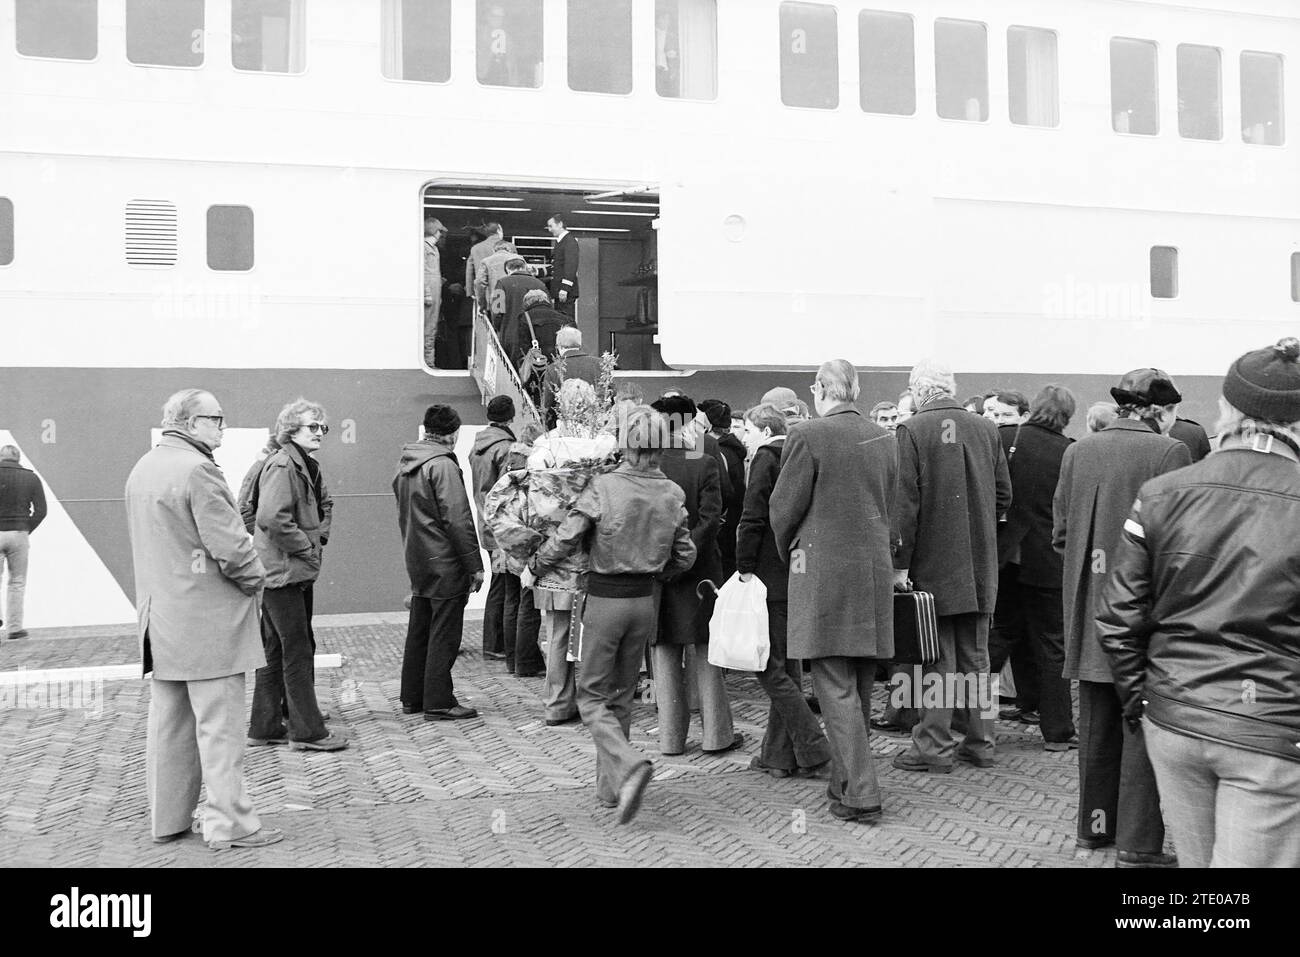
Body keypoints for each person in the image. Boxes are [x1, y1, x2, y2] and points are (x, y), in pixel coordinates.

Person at [1098, 339, 1300, 868]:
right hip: (1269, 729)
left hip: (1176, 717)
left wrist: (1144, 702)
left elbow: (1119, 620)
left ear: (1229, 410)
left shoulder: (1163, 492)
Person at [125, 389, 281, 849]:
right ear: (191, 423)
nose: (222, 428)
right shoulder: (200, 471)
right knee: (220, 729)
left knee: (169, 726)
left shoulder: (144, 467)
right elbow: (232, 548)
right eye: (216, 419)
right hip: (209, 624)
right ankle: (230, 824)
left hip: (161, 622)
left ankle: (167, 820)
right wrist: (258, 582)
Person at [526, 407, 696, 823]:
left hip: (604, 601)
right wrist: (656, 572)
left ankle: (630, 764)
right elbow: (686, 555)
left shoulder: (604, 487)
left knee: (591, 697)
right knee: (621, 695)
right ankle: (610, 788)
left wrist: (535, 566)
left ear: (625, 443)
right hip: (645, 602)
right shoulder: (672, 493)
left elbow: (567, 535)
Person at [1052, 368, 1192, 866]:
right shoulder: (1169, 452)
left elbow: (1062, 534)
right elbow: (1178, 544)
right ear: (1160, 410)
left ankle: (1095, 829)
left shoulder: (1078, 450)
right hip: (1144, 617)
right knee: (1140, 724)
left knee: (1096, 726)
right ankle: (1137, 843)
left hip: (1089, 610)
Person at [770, 360, 897, 823]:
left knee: (835, 686)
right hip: (871, 570)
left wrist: (795, 552)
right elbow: (892, 501)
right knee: (857, 685)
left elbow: (783, 508)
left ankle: (861, 790)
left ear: (823, 389)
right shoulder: (885, 436)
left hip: (822, 573)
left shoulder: (808, 435)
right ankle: (844, 785)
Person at [891, 359, 1010, 774]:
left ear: (920, 391)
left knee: (937, 660)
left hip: (933, 567)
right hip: (979, 565)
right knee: (976, 658)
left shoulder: (912, 429)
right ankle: (981, 743)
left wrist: (899, 564)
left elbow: (904, 505)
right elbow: (1003, 496)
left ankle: (934, 747)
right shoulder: (986, 428)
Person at [737, 404, 832, 778]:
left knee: (769, 666)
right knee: (786, 665)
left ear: (761, 429)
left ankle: (814, 745)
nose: (744, 437)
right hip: (798, 571)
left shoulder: (765, 457)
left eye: (746, 429)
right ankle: (778, 756)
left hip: (768, 574)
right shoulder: (801, 450)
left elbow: (754, 515)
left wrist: (743, 567)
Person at [248, 399, 344, 752]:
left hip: (284, 572)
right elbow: (270, 517)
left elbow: (258, 514)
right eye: (312, 427)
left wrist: (313, 540)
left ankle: (265, 725)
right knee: (297, 651)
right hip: (285, 574)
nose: (320, 433)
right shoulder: (285, 465)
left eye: (323, 427)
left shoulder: (298, 464)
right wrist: (304, 546)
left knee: (275, 650)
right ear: (291, 430)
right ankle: (307, 732)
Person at [988, 385, 1078, 750]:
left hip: (1006, 555)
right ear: (1067, 416)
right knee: (1052, 645)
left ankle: (956, 708)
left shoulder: (1006, 436)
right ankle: (1057, 732)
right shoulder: (1070, 450)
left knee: (1000, 636)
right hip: (1047, 560)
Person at [649, 394, 739, 756]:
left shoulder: (645, 466)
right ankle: (716, 735)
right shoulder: (703, 461)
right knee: (707, 650)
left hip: (658, 571)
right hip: (701, 571)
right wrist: (688, 556)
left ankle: (671, 739)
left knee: (666, 651)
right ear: (688, 422)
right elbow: (712, 517)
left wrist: (665, 561)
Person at [395, 405, 485, 720]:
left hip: (418, 557)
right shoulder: (443, 466)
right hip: (445, 561)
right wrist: (474, 564)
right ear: (454, 433)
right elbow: (458, 519)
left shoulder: (406, 464)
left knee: (419, 629)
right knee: (444, 632)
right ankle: (439, 700)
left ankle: (413, 696)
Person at [470, 396, 516, 662]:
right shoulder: (505, 448)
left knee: (498, 584)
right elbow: (505, 491)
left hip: (484, 522)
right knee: (503, 586)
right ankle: (495, 643)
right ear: (510, 417)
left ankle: (493, 642)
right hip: (500, 526)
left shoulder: (479, 445)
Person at [0, 445, 46, 639]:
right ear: (18, 458)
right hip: (19, 532)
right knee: (17, 582)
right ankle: (14, 628)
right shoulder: (31, 478)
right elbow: (41, 511)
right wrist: (26, 529)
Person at [699, 399, 746, 581]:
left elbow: (723, 492)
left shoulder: (714, 452)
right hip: (731, 525)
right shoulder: (735, 450)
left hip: (720, 530)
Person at [540, 325, 602, 428]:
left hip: (566, 427)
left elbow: (546, 406)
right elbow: (609, 395)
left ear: (558, 346)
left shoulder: (553, 369)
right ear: (580, 343)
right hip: (595, 425)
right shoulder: (599, 364)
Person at [494, 256, 547, 339]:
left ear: (507, 269)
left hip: (510, 334)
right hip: (535, 335)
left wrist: (498, 328)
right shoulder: (540, 284)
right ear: (524, 267)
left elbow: (497, 311)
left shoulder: (501, 283)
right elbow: (548, 309)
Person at [423, 217, 447, 366]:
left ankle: (429, 360)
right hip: (430, 295)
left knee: (431, 327)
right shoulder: (424, 248)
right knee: (429, 327)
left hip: (434, 294)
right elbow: (421, 272)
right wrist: (427, 293)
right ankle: (428, 362)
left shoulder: (433, 248)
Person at [547, 213, 580, 318]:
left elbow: (571, 266)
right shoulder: (562, 241)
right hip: (560, 290)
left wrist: (565, 288)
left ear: (560, 224)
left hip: (564, 291)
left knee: (566, 320)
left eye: (551, 226)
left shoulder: (569, 241)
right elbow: (557, 266)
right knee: (562, 319)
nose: (549, 230)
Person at [467, 222, 504, 313]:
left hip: (481, 292)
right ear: (499, 230)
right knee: (499, 321)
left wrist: (470, 291)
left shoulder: (476, 248)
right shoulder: (507, 247)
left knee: (483, 322)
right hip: (501, 292)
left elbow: (469, 271)